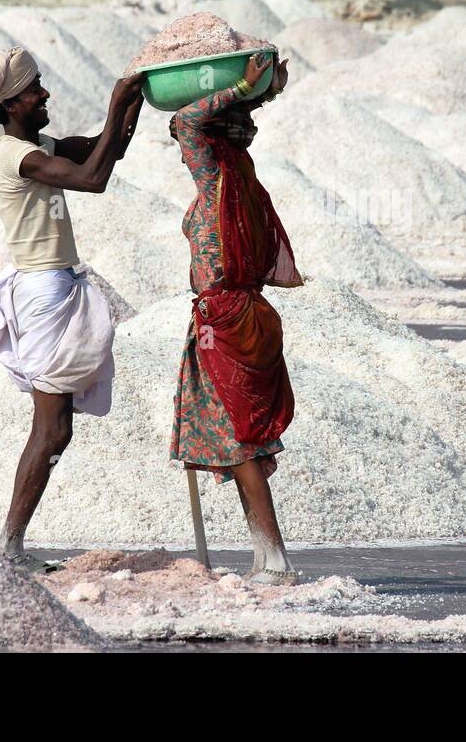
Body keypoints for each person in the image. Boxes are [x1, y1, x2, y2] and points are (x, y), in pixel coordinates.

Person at [0, 47, 145, 572]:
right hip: (43, 292)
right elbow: (93, 178)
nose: (44, 95)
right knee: (51, 428)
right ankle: (10, 546)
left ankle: (12, 544)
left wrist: (138, 95)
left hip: (56, 284)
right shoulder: (15, 157)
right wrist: (118, 100)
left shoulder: (41, 145)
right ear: (8, 105)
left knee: (57, 428)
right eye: (33, 90)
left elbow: (107, 151)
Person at [168, 51, 303, 585]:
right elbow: (190, 124)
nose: (181, 154)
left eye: (187, 151)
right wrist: (258, 91)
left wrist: (243, 87)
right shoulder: (240, 177)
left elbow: (184, 120)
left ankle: (274, 559)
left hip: (228, 321)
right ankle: (262, 555)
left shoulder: (219, 175)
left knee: (240, 441)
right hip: (234, 317)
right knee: (237, 440)